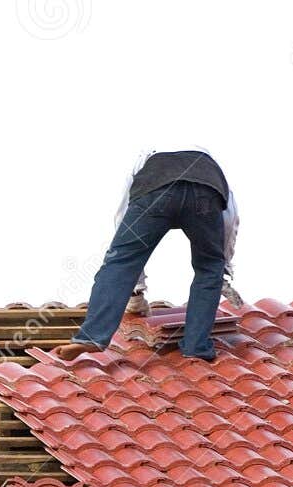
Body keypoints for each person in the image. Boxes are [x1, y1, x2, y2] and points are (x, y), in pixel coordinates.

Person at [59, 148, 240, 361]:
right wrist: (223, 265)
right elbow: (230, 218)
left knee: (121, 260)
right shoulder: (209, 163)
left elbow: (123, 219)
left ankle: (91, 336)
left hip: (156, 191)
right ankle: (196, 347)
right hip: (204, 194)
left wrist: (136, 291)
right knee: (209, 269)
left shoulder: (148, 156)